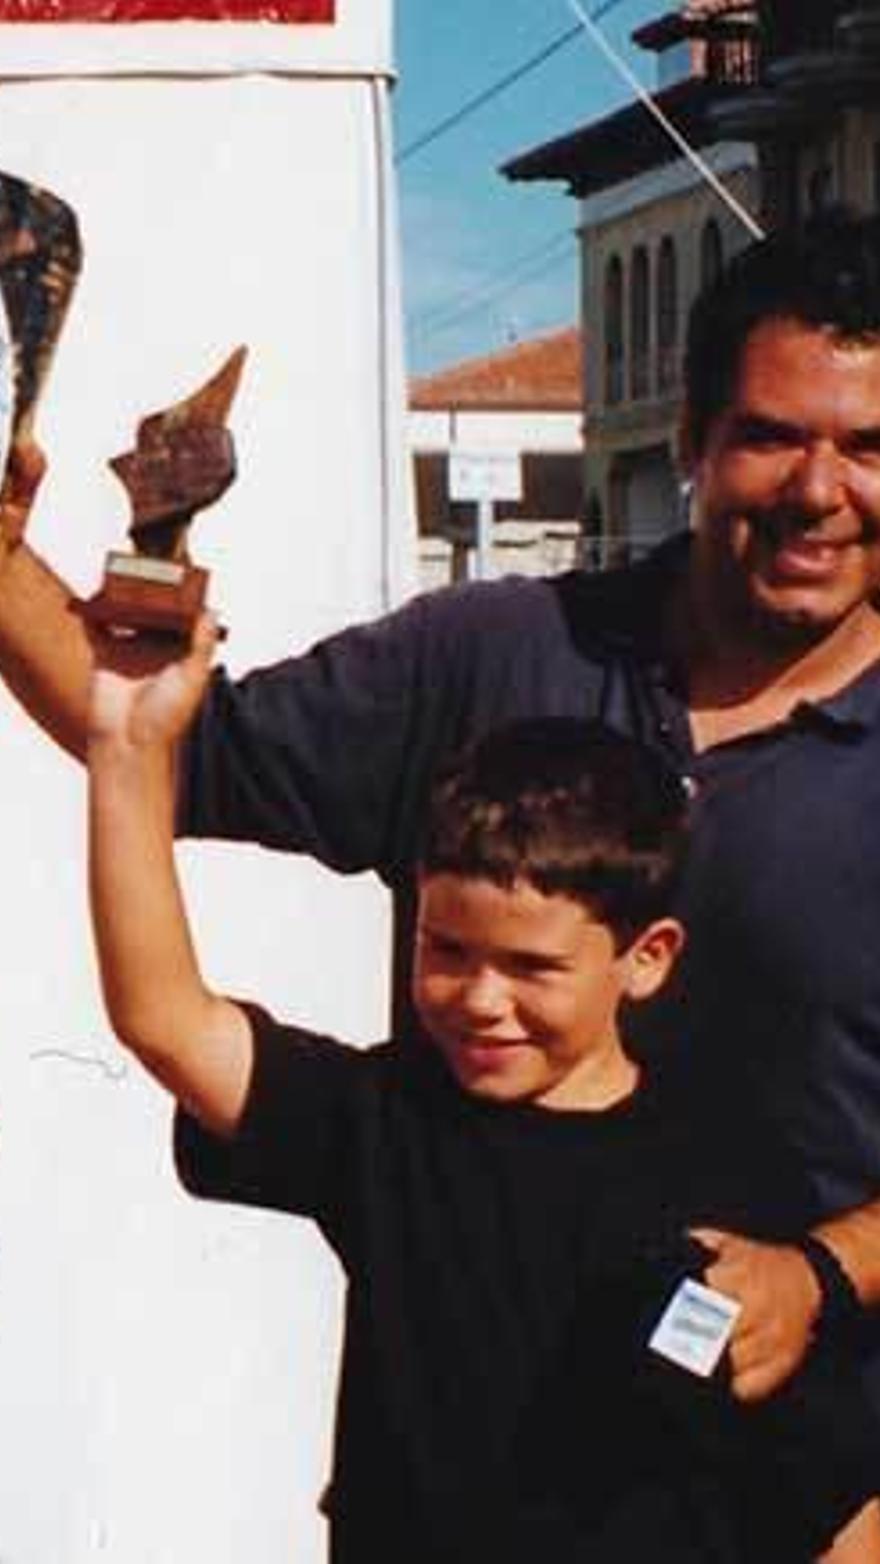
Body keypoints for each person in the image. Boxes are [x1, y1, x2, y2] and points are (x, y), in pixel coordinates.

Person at [2, 208, 880, 1410]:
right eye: (771, 437)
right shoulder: (490, 650)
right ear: (690, 438)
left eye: (868, 446)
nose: (819, 490)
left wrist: (820, 1276)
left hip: (798, 1476)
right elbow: (173, 748)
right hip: (453, 1470)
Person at [84, 631, 880, 1561]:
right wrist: (127, 751)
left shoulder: (738, 1178)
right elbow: (165, 1019)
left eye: (533, 967)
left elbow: (835, 1505)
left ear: (646, 958)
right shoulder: (387, 1124)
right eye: (446, 951)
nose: (481, 1001)